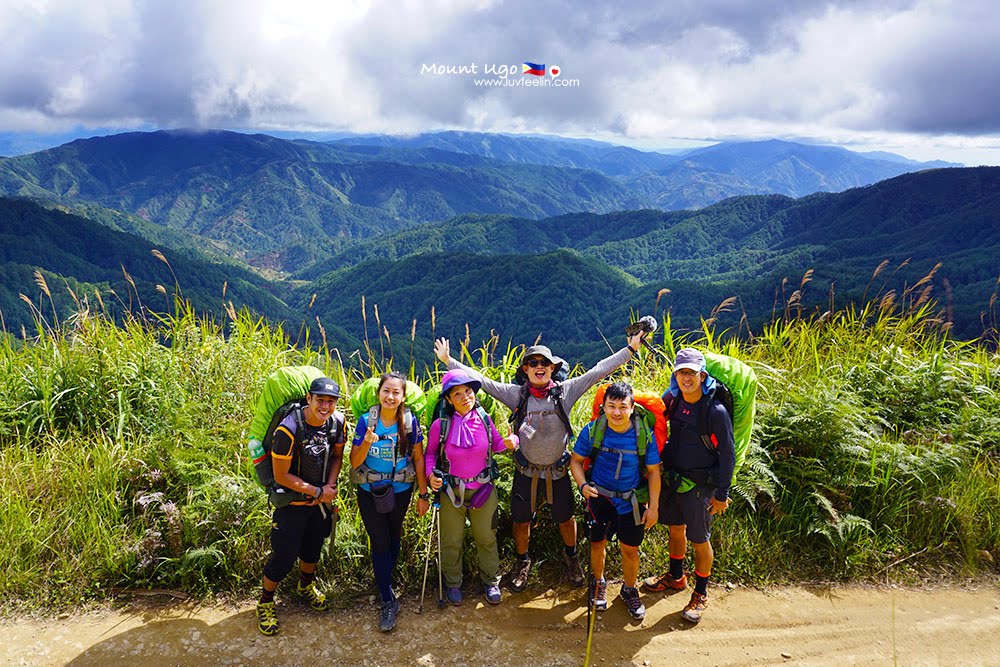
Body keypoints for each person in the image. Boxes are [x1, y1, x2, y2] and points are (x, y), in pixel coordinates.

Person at [434, 330, 644, 591]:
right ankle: (523, 562)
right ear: (526, 369)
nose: (539, 367)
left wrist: (631, 350)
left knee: (566, 519)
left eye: (544, 363)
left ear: (553, 368)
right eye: (533, 363)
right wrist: (449, 361)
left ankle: (571, 558)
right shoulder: (517, 395)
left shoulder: (565, 392)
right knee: (522, 520)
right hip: (526, 471)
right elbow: (482, 381)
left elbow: (597, 372)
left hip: (557, 472)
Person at [640, 348, 735, 624]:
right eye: (681, 372)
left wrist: (722, 493)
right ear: (676, 375)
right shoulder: (674, 399)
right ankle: (676, 576)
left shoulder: (714, 411)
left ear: (702, 375)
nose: (686, 377)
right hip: (673, 477)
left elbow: (728, 455)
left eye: (691, 372)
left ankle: (701, 592)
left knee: (700, 539)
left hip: (699, 485)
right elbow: (652, 416)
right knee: (675, 528)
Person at [256, 377, 345, 636]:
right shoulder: (288, 429)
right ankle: (265, 602)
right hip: (292, 504)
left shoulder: (338, 424)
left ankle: (305, 587)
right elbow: (281, 475)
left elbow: (337, 455)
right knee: (283, 555)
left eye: (331, 401)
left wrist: (329, 486)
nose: (325, 406)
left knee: (312, 549)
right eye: (320, 400)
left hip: (319, 503)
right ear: (309, 398)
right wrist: (317, 491)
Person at [425, 370, 517, 606]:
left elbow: (496, 445)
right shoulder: (440, 425)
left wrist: (510, 442)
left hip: (483, 489)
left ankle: (491, 581)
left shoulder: (485, 420)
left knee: (486, 537)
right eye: (458, 393)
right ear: (448, 399)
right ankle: (453, 583)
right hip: (450, 491)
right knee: (451, 540)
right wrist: (429, 476)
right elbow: (430, 454)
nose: (466, 397)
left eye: (468, 391)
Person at [570, 381, 660, 621]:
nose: (617, 412)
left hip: (630, 502)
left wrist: (653, 507)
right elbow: (576, 461)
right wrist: (583, 485)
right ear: (604, 406)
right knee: (597, 543)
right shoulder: (593, 430)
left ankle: (629, 589)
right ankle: (598, 583)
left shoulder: (643, 436)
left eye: (623, 406)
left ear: (632, 408)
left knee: (630, 549)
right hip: (599, 498)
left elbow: (653, 472)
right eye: (611, 406)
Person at [350, 371, 430, 632]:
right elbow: (354, 461)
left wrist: (422, 494)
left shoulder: (409, 422)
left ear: (403, 396)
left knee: (393, 537)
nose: (391, 396)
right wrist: (367, 441)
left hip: (401, 489)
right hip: (369, 490)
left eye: (396, 392)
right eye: (386, 391)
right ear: (378, 393)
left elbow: (418, 458)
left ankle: (385, 579)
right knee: (380, 540)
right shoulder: (366, 421)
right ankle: (387, 599)